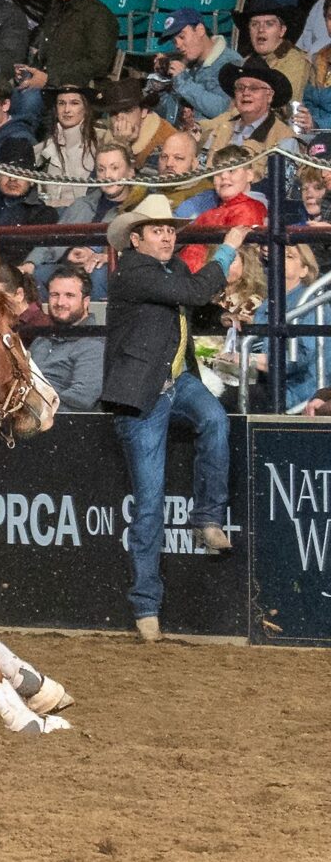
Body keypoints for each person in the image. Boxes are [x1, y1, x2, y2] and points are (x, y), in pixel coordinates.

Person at [101, 196, 247, 641]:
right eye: (158, 230)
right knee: (149, 504)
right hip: (145, 392)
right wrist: (228, 248)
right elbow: (190, 294)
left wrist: (219, 315)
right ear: (136, 239)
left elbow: (188, 305)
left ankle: (206, 518)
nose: (167, 236)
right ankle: (147, 603)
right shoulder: (133, 272)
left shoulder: (167, 270)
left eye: (169, 230)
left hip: (168, 381)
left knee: (215, 421)